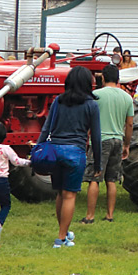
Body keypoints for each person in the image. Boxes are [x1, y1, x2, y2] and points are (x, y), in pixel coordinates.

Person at [38, 66, 102, 248]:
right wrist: (98, 163)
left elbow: (46, 127)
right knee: (69, 196)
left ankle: (64, 233)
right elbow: (96, 136)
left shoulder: (58, 101)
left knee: (60, 193)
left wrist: (39, 147)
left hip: (55, 150)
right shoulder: (91, 105)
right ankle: (60, 238)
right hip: (75, 152)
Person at [83, 64, 134, 224]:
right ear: (119, 79)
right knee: (111, 180)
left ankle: (90, 216)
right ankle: (109, 215)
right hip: (118, 141)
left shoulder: (95, 95)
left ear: (102, 78)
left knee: (94, 178)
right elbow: (130, 124)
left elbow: (87, 119)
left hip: (100, 141)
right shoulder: (127, 97)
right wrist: (126, 144)